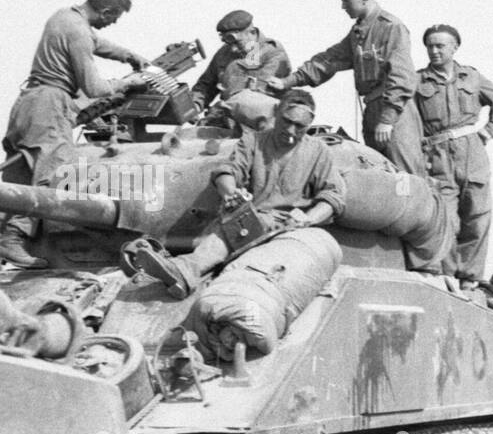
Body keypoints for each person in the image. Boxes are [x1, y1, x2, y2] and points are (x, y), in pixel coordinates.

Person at [0, 0, 149, 267]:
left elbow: (96, 42)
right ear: (106, 11)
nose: (113, 23)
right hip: (51, 107)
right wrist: (128, 83)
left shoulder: (64, 17)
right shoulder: (79, 32)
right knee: (51, 176)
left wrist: (128, 55)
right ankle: (14, 239)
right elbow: (94, 88)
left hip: (27, 104)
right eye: (114, 18)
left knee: (16, 180)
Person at [130, 90, 345, 299]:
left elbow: (333, 195)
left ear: (308, 125)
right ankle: (184, 274)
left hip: (290, 226)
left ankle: (185, 271)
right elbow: (228, 171)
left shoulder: (318, 152)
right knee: (233, 223)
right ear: (276, 114)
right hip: (250, 218)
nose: (290, 130)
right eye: (286, 121)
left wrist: (309, 218)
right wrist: (231, 192)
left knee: (235, 231)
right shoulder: (253, 141)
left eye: (299, 126)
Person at [268, 0, 426, 177]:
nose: (343, 7)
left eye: (346, 0)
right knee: (381, 176)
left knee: (407, 177)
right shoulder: (357, 33)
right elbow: (328, 61)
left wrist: (388, 119)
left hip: (395, 112)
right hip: (372, 110)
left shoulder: (391, 27)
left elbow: (402, 76)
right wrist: (287, 82)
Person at [413, 24, 493, 288]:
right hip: (436, 155)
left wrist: (490, 132)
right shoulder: (417, 81)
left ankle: (470, 276)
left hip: (472, 151)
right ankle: (447, 274)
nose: (434, 51)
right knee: (445, 217)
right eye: (430, 46)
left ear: (454, 47)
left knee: (478, 216)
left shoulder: (472, 77)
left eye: (440, 46)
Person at [192, 10, 291, 118]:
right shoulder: (224, 53)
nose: (233, 49)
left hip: (260, 123)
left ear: (252, 32)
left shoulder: (273, 53)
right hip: (226, 119)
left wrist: (222, 108)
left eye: (237, 43)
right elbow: (205, 85)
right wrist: (195, 106)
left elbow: (259, 96)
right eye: (228, 43)